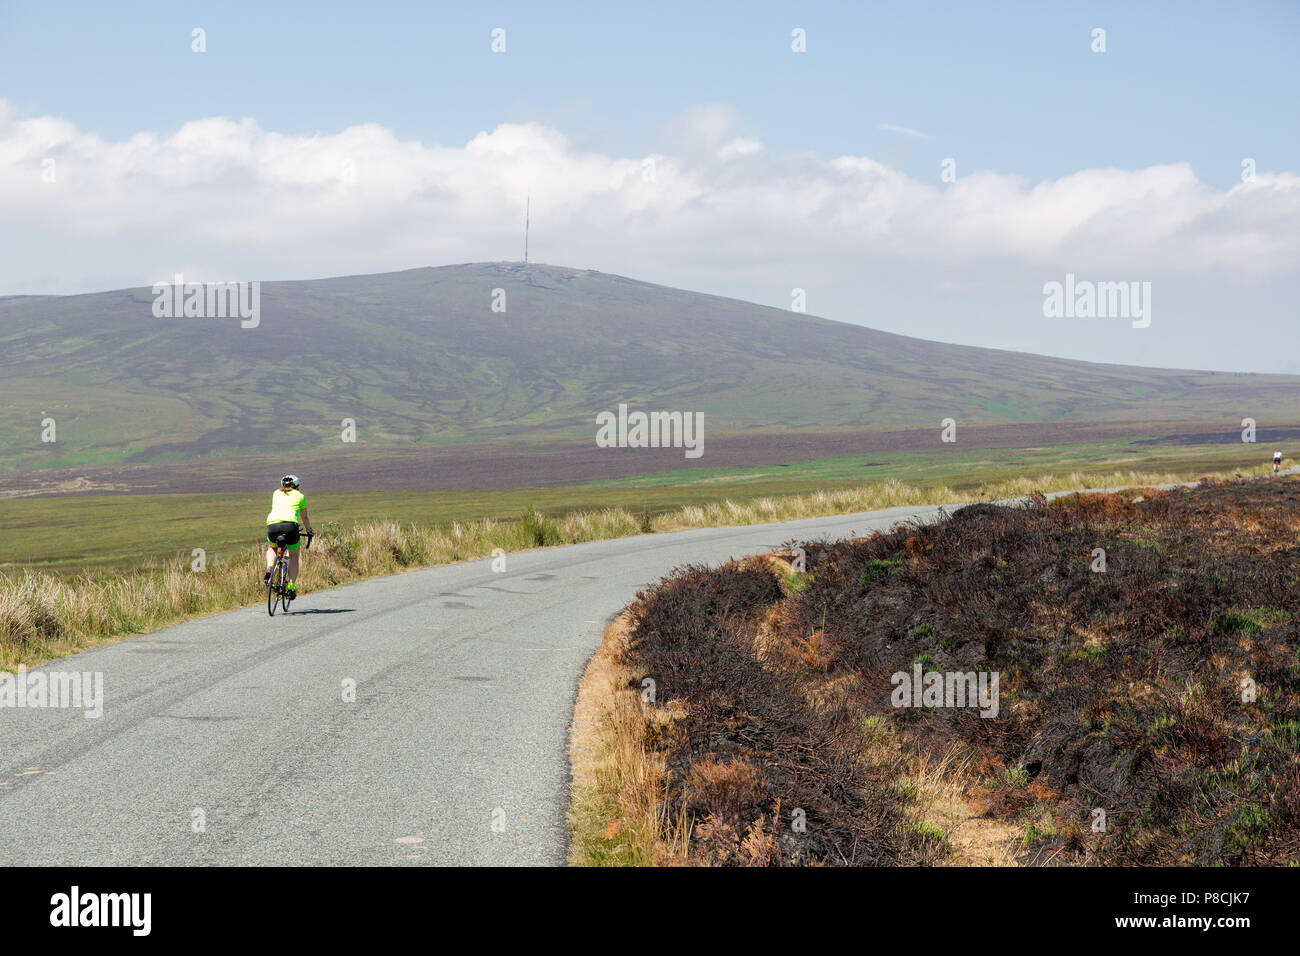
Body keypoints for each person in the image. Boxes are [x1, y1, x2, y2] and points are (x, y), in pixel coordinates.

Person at [264, 474, 313, 598]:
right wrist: (309, 531)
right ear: (297, 486)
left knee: (272, 547)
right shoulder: (301, 496)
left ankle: (270, 567)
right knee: (294, 555)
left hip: (273, 525)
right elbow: (305, 517)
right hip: (290, 526)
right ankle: (291, 588)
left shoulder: (276, 493)